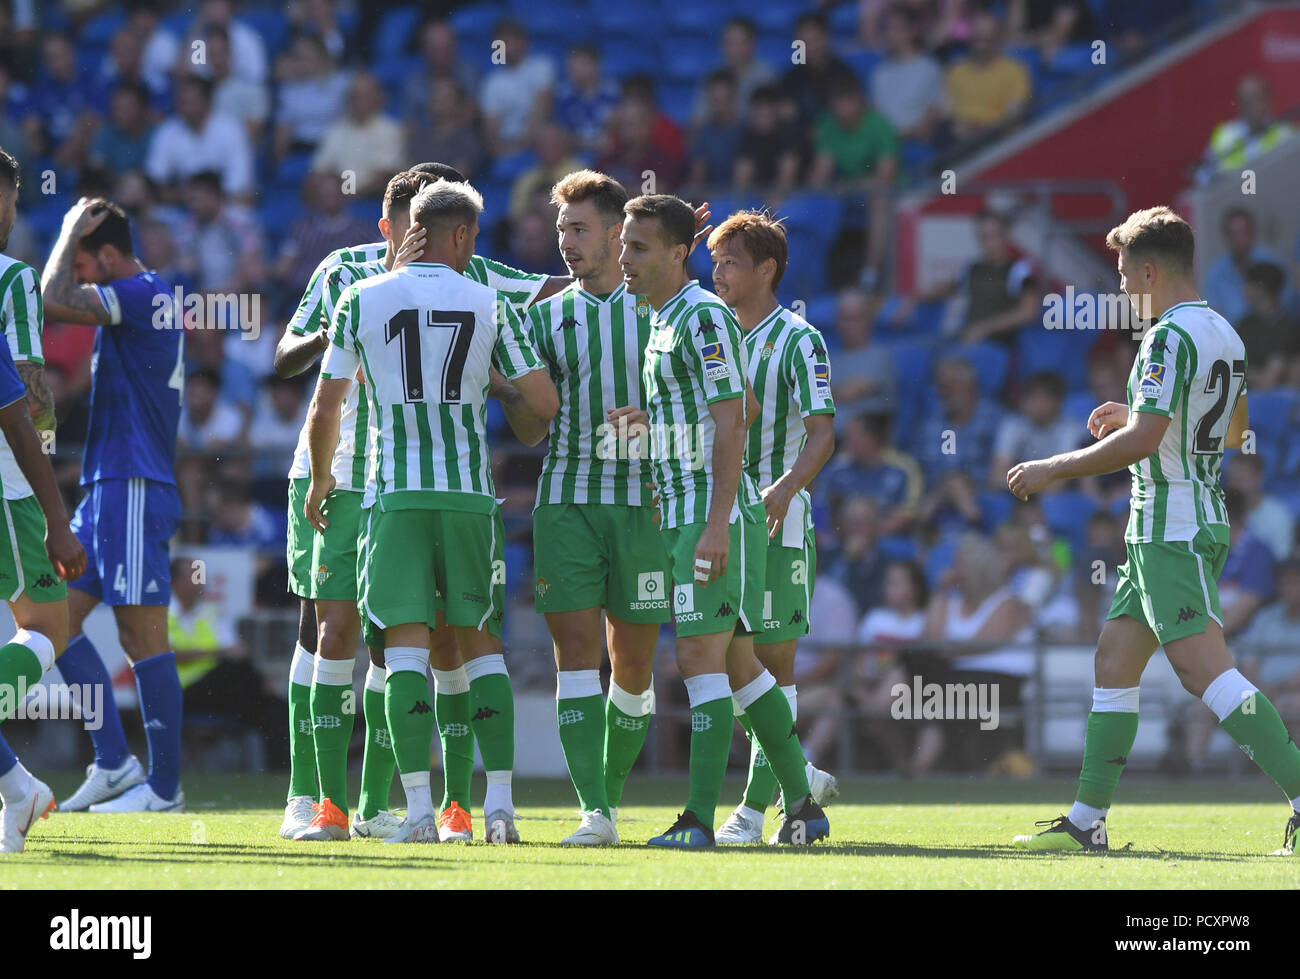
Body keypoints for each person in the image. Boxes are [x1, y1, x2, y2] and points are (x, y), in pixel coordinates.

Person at [272, 161, 567, 842]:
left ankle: (386, 803)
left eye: (420, 225)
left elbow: (557, 285)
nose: (412, 236)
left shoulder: (477, 278)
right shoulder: (346, 275)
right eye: (400, 224)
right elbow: (287, 358)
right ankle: (313, 798)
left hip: (390, 488)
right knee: (332, 632)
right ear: (387, 225)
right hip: (351, 477)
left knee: (405, 642)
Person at [1008, 205, 1300, 855]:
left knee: (1205, 672)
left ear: (1148, 270)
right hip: (1175, 520)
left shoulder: (1167, 336)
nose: (1119, 289)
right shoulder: (1225, 330)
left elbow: (1144, 442)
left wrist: (1055, 467)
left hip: (1173, 522)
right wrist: (1143, 411)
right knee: (1113, 659)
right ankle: (1087, 821)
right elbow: (1232, 429)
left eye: (1120, 274)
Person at [616, 193, 828, 847]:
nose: (624, 258)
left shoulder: (709, 320)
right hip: (700, 509)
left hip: (731, 517)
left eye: (637, 246)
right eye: (623, 245)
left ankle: (701, 819)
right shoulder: (668, 320)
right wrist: (665, 461)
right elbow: (740, 409)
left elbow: (739, 417)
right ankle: (802, 803)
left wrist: (719, 517)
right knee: (743, 666)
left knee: (706, 657)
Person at [523, 170, 670, 845]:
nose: (567, 242)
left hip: (645, 505)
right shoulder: (547, 317)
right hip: (567, 502)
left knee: (633, 664)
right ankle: (596, 811)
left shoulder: (665, 312)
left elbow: (730, 419)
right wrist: (508, 388)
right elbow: (529, 431)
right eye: (561, 230)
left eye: (579, 229)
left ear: (617, 233)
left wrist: (658, 428)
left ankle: (606, 798)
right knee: (576, 654)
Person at [39, 197, 186, 813]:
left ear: (105, 254)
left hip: (134, 482)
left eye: (87, 262)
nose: (83, 276)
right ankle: (114, 761)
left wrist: (70, 226)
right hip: (107, 487)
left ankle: (165, 789)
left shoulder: (146, 293)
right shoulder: (139, 298)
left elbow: (51, 294)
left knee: (140, 634)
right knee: (54, 620)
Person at [706, 209, 840, 844]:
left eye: (731, 261)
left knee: (767, 664)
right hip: (716, 520)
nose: (718, 273)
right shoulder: (715, 333)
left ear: (767, 269)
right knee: (731, 664)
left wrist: (785, 489)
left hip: (775, 524)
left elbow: (823, 433)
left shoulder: (798, 339)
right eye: (714, 261)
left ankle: (755, 812)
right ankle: (798, 778)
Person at [0, 149, 88, 853]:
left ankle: (15, 790)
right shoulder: (13, 278)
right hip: (9, 487)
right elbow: (27, 394)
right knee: (48, 631)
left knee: (39, 630)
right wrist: (56, 512)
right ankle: (17, 788)